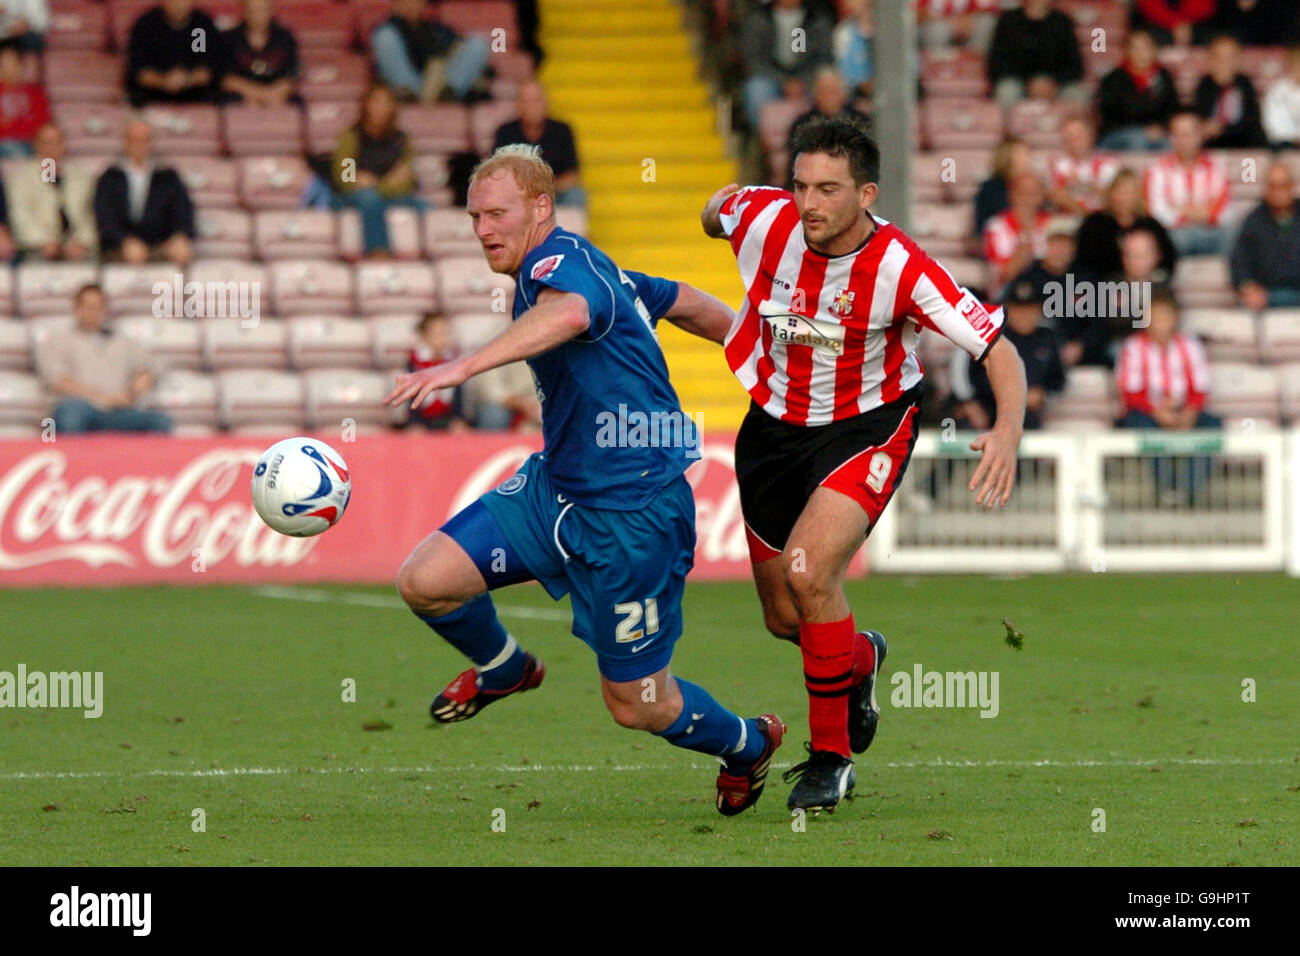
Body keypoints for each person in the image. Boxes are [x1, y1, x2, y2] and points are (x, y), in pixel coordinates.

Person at [383, 144, 786, 817]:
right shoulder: (597, 269)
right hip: (558, 490)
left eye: (497, 213)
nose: (483, 228)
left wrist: (461, 368)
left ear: (541, 207)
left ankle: (746, 743)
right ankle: (507, 667)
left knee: (638, 705)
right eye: (475, 215)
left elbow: (572, 313)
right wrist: (761, 354)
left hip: (634, 514)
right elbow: (683, 301)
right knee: (425, 581)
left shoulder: (556, 263)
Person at [697, 117, 1025, 811]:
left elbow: (997, 348)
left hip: (866, 428)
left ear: (866, 194)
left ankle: (831, 760)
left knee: (810, 571)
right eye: (800, 185)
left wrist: (1007, 429)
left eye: (827, 189)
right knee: (787, 620)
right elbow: (717, 209)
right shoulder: (760, 217)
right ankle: (861, 658)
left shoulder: (903, 267)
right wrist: (713, 208)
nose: (808, 202)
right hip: (770, 430)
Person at [1116, 288, 1220, 502]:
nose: (1160, 322)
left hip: (1183, 408)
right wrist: (1157, 411)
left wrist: (1190, 411)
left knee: (1213, 427)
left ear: (1175, 318)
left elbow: (1199, 387)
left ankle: (1189, 490)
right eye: (1155, 316)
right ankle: (1167, 488)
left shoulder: (1190, 345)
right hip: (1146, 411)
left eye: (1165, 316)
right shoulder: (1133, 347)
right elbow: (1130, 391)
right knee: (1142, 427)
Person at [36, 284, 172, 435]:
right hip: (80, 407)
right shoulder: (59, 340)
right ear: (76, 309)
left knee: (160, 421)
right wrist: (102, 398)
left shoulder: (121, 341)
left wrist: (136, 386)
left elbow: (154, 366)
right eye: (89, 307)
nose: (93, 312)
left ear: (106, 310)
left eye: (98, 307)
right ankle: (74, 458)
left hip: (117, 412)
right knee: (69, 411)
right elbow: (57, 380)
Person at [951, 276, 1063, 431]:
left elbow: (1058, 379)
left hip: (1026, 410)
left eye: (1030, 309)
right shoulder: (990, 331)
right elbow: (961, 370)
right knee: (962, 424)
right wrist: (968, 402)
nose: (1024, 316)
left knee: (1029, 425)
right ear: (1007, 308)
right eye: (1018, 309)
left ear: (1039, 310)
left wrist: (1042, 394)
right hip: (984, 404)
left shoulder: (1047, 337)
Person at [332, 84, 425, 257]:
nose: (380, 108)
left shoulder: (402, 140)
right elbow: (345, 177)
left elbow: (407, 180)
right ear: (365, 105)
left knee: (425, 206)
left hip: (388, 195)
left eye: (385, 103)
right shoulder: (351, 137)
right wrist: (386, 183)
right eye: (375, 102)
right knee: (369, 199)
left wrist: (374, 184)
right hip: (351, 198)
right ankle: (378, 252)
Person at [93, 117, 195, 266]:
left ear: (151, 142)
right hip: (120, 247)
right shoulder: (110, 176)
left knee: (183, 251)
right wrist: (124, 241)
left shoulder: (168, 175)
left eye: (144, 140)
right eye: (134, 139)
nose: (139, 145)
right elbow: (104, 217)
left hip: (161, 245)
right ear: (125, 142)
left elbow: (183, 210)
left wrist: (179, 237)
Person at [1143, 110, 1231, 256]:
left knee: (1235, 232)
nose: (1185, 140)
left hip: (1213, 233)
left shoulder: (1217, 167)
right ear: (1171, 138)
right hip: (1176, 235)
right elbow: (1157, 213)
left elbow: (1224, 211)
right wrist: (1197, 213)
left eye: (1190, 134)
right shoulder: (1156, 170)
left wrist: (1181, 209)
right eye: (1179, 134)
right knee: (1170, 238)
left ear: (1200, 135)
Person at [5, 122, 96, 260]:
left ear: (63, 144)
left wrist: (81, 241)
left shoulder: (81, 176)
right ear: (37, 145)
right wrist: (43, 242)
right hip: (35, 249)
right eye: (46, 142)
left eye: (56, 141)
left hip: (77, 249)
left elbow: (89, 215)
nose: (52, 147)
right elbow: (20, 215)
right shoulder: (22, 178)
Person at [739, 0, 834, 131]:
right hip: (771, 78)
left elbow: (823, 58)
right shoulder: (759, 19)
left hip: (808, 80)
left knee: (828, 84)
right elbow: (754, 61)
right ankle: (766, 142)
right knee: (756, 89)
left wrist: (802, 80)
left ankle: (820, 139)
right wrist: (785, 81)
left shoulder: (815, 19)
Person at [370, 0, 489, 104]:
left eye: (417, 1)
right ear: (396, 4)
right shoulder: (388, 28)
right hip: (411, 87)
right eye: (406, 1)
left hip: (441, 84)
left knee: (478, 43)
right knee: (384, 37)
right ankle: (408, 94)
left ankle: (448, 94)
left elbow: (458, 46)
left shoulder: (435, 27)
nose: (412, 5)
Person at [1072, 167, 1177, 282]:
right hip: (1103, 287)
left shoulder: (1150, 225)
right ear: (1111, 193)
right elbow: (1084, 261)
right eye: (1119, 191)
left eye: (1129, 192)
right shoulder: (1094, 224)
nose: (1124, 198)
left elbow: (1167, 260)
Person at [491, 80, 584, 207]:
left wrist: (544, 190)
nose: (532, 106)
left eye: (537, 100)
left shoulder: (562, 130)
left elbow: (572, 175)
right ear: (518, 105)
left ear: (546, 103)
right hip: (516, 196)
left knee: (575, 194)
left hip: (554, 193)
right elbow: (496, 173)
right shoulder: (505, 132)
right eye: (526, 101)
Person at [986, 0, 1086, 112]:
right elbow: (997, 63)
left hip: (1056, 84)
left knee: (1077, 94)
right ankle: (1007, 129)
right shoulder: (1008, 21)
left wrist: (1052, 83)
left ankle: (1075, 129)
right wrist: (1029, 83)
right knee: (1006, 91)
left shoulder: (1062, 21)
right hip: (1019, 82)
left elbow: (1075, 65)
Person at [1230, 161, 1300, 309]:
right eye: (1273, 187)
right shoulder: (1254, 220)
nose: (1278, 192)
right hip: (1267, 294)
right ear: (1266, 189)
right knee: (1244, 308)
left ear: (1292, 187)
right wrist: (1248, 286)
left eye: (1283, 186)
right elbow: (1240, 259)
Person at [1096, 28, 1179, 151]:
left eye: (1146, 47)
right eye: (1135, 48)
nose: (1141, 53)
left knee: (1170, 143)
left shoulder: (1163, 76)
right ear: (1126, 51)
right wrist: (1144, 130)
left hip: (1157, 134)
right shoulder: (1113, 79)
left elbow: (1172, 108)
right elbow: (1111, 115)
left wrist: (1161, 127)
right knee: (1137, 139)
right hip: (1117, 135)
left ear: (1154, 50)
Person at [125, 0, 220, 106]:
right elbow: (139, 71)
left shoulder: (202, 25)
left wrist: (187, 80)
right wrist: (163, 82)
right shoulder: (146, 25)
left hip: (195, 95)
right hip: (152, 94)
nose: (178, 4)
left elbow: (209, 68)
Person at [786, 67, 870, 176]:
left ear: (844, 94)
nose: (829, 97)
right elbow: (796, 163)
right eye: (823, 92)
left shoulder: (860, 120)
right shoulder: (802, 124)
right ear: (815, 95)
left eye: (833, 92)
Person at [218, 0, 301, 107]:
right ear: (244, 11)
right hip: (241, 96)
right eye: (253, 10)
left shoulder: (285, 37)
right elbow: (225, 79)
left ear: (271, 10)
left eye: (262, 9)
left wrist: (272, 95)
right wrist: (256, 94)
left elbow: (292, 75)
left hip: (277, 96)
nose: (258, 15)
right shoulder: (229, 39)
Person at [982, 170, 1050, 300]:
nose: (1028, 200)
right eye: (1023, 194)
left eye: (1033, 194)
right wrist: (1025, 235)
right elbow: (1005, 274)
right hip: (1007, 296)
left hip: (1045, 295)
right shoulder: (996, 227)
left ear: (1042, 195)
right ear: (1011, 195)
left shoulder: (1052, 225)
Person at [1193, 33, 1266, 149]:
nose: (1224, 62)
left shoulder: (1245, 84)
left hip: (1242, 141)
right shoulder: (1205, 85)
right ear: (1210, 60)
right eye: (1219, 57)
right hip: (1211, 143)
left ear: (1239, 59)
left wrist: (1224, 128)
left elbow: (1252, 119)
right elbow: (1199, 114)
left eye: (1230, 57)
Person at [407, 313, 469, 430]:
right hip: (422, 419)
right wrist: (414, 422)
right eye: (437, 334)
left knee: (460, 430)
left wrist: (458, 418)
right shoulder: (415, 362)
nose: (443, 338)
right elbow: (410, 396)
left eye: (445, 333)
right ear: (424, 336)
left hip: (448, 418)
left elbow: (458, 395)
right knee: (415, 433)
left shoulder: (455, 361)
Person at [1048, 115, 1119, 215]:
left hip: (1103, 216)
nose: (1074, 141)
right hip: (1067, 217)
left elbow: (1113, 195)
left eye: (1078, 136)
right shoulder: (1058, 163)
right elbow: (1056, 196)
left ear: (1090, 135)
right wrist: (1085, 215)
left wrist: (1083, 184)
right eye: (1069, 137)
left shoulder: (1108, 162)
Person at [974, 136, 1030, 234]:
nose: (1027, 159)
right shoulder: (990, 189)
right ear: (1007, 157)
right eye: (1021, 155)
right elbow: (984, 225)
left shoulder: (1032, 186)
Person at [0, 38, 46, 156]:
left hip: (32, 143)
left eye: (12, 63)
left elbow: (42, 124)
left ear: (21, 65)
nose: (7, 69)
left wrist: (11, 124)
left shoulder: (35, 92)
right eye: (3, 64)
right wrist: (23, 123)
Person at [1130, 0, 1218, 47]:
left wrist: (1184, 22)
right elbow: (1148, 7)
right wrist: (1175, 23)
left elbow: (1207, 7)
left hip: (1201, 34)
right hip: (1159, 38)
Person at [833, 0, 873, 102]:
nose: (848, 3)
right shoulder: (843, 32)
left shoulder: (889, 31)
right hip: (854, 100)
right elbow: (840, 73)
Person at [1262, 45, 1300, 150]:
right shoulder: (1276, 91)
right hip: (1284, 143)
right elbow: (1272, 124)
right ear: (1289, 66)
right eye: (1297, 64)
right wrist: (1294, 137)